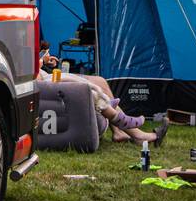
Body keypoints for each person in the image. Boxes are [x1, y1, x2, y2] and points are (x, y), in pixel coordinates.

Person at [39, 46, 167, 146]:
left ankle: (118, 131)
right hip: (40, 79)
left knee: (100, 81)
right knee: (88, 88)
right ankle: (136, 133)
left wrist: (43, 60)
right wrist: (39, 62)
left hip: (43, 73)